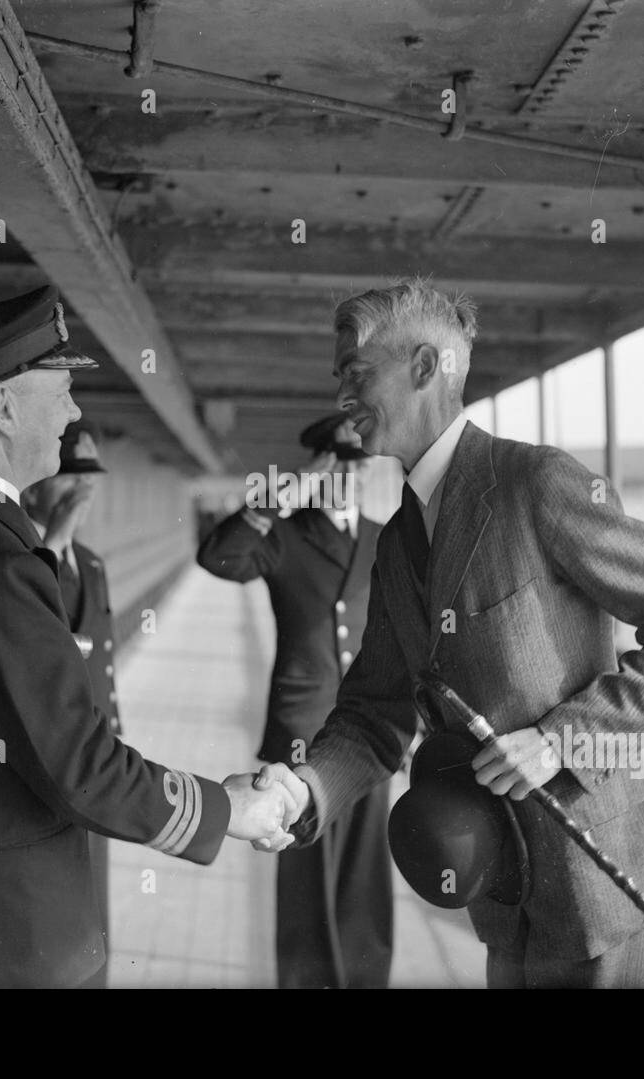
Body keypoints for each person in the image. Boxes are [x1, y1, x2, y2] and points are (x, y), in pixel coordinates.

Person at [258, 278, 644, 988]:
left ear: (426, 368)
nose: (343, 395)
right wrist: (302, 791)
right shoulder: (396, 543)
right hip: (504, 896)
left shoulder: (535, 483)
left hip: (606, 891)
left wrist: (563, 738)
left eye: (357, 373)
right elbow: (373, 713)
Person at [0, 285, 294, 989]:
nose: (72, 413)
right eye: (63, 390)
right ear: (5, 409)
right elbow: (81, 766)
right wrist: (229, 809)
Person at [197, 414, 394, 989]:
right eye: (343, 464)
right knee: (305, 877)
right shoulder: (283, 533)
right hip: (300, 734)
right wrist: (285, 494)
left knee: (363, 876)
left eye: (362, 464)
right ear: (321, 468)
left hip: (373, 730)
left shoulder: (385, 537)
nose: (355, 474)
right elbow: (219, 558)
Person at [22, 419, 120, 988]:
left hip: (98, 764)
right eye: (68, 478)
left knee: (94, 907)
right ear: (34, 484)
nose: (82, 491)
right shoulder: (18, 558)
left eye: (89, 478)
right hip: (48, 764)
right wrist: (52, 543)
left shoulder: (93, 562)